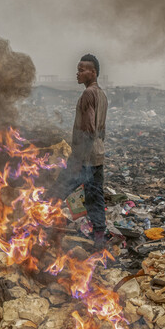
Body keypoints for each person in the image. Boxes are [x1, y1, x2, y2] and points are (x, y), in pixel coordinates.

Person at [51, 53, 108, 249]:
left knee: (57, 192)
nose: (78, 73)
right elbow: (101, 130)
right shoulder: (102, 94)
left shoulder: (88, 94)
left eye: (82, 70)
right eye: (78, 69)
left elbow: (88, 129)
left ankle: (37, 228)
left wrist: (77, 160)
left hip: (84, 158)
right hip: (97, 156)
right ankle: (99, 237)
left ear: (93, 72)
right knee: (94, 197)